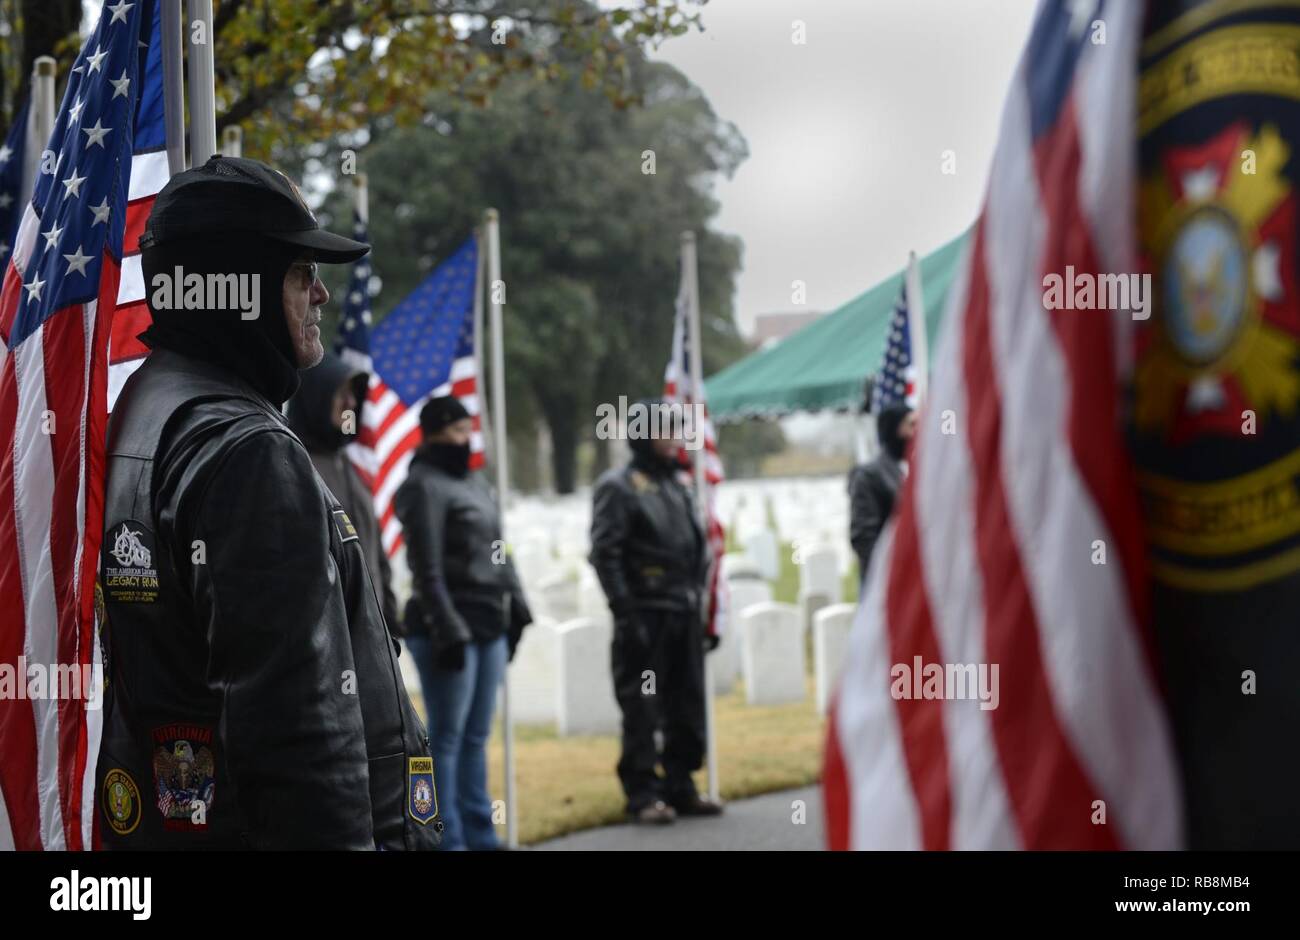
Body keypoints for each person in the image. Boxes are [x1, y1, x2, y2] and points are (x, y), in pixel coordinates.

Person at [96, 155, 441, 850]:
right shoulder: (250, 450)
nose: (322, 295)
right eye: (301, 272)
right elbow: (297, 733)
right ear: (240, 285)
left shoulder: (143, 408)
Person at [394, 396, 533, 850]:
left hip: (487, 619)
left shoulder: (475, 481)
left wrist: (518, 600)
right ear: (433, 433)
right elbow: (426, 567)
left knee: (476, 735)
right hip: (444, 625)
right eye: (455, 431)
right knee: (446, 739)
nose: (464, 439)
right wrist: (446, 627)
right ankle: (445, 839)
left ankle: (481, 835)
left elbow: (499, 547)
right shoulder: (422, 485)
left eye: (467, 430)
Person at [589, 399, 723, 825]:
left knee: (686, 703)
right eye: (666, 432)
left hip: (682, 611)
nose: (675, 440)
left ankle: (681, 784)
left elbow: (696, 550)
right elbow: (605, 554)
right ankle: (644, 792)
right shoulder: (620, 486)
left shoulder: (679, 485)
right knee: (644, 706)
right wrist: (626, 613)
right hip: (645, 615)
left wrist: (702, 610)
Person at [287, 352, 399, 631]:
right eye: (341, 393)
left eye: (354, 395)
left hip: (372, 631)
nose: (351, 403)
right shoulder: (293, 465)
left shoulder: (349, 463)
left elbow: (376, 548)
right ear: (316, 396)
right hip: (330, 636)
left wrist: (391, 616)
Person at [848, 402, 916, 579]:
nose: (916, 432)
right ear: (894, 428)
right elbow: (863, 538)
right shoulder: (869, 475)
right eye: (911, 424)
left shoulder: (917, 468)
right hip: (886, 582)